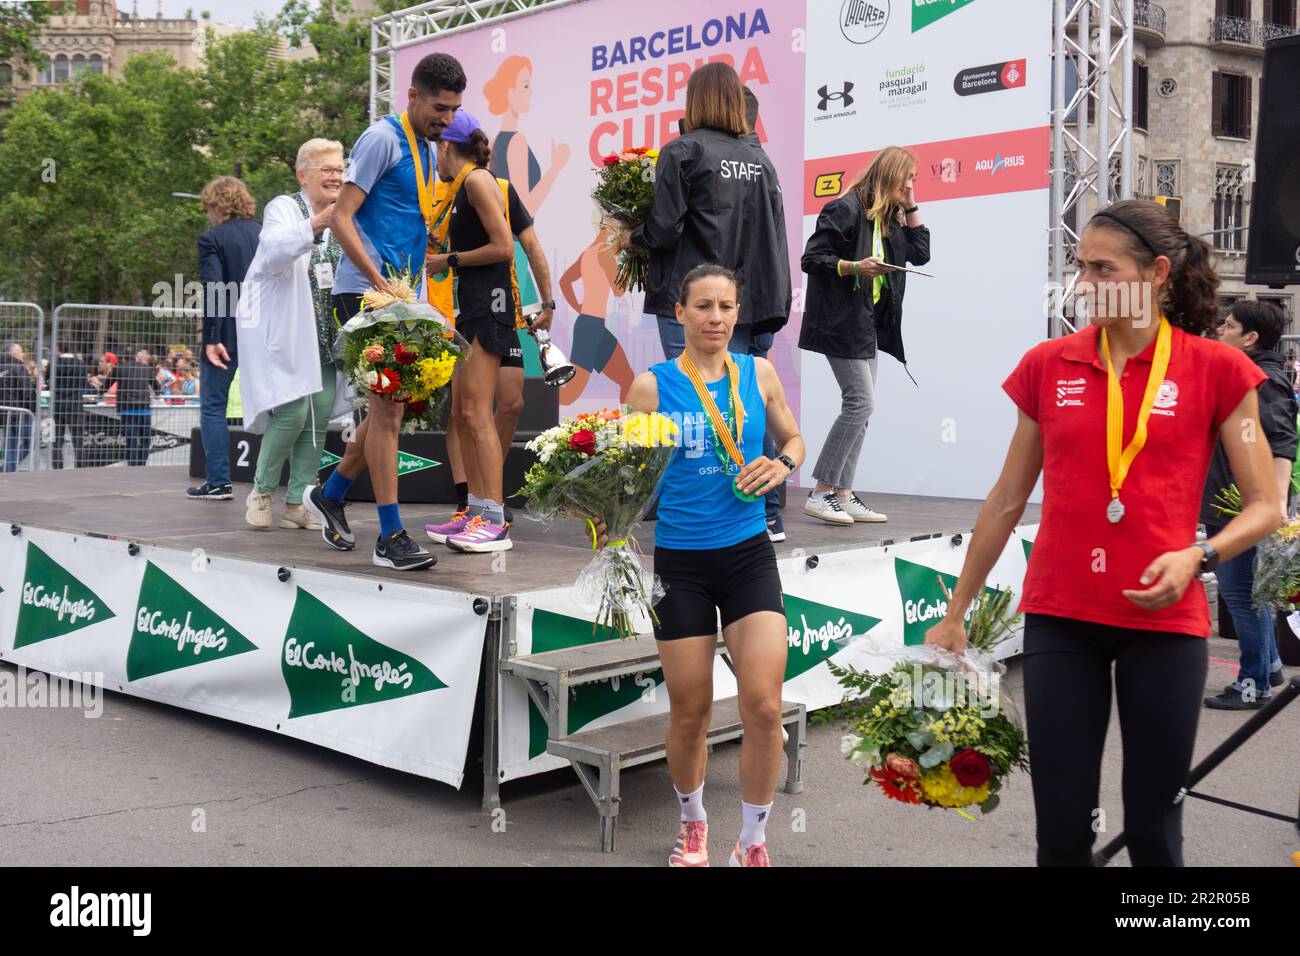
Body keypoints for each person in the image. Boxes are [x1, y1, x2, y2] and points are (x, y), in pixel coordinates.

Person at [925, 199, 1281, 867]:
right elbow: (1006, 499)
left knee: (1153, 833)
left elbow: (1266, 505)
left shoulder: (1219, 370)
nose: (1081, 285)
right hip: (1063, 615)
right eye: (1078, 268)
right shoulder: (1049, 364)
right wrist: (955, 613)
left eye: (1100, 269)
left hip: (1167, 622)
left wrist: (1199, 556)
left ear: (1157, 274)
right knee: (1061, 834)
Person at [605, 263, 805, 867]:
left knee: (765, 705)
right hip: (681, 563)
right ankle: (693, 824)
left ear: (738, 314)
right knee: (690, 712)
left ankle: (753, 838)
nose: (715, 317)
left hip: (748, 555)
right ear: (680, 313)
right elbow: (618, 479)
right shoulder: (650, 386)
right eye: (703, 307)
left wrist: (783, 466)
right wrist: (605, 519)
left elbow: (793, 441)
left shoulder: (759, 372)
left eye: (725, 306)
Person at [304, 52, 466, 572]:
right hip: (364, 294)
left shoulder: (426, 146)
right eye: (440, 107)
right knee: (390, 410)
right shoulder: (381, 138)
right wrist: (377, 279)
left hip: (403, 298)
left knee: (388, 411)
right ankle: (390, 535)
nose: (448, 118)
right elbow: (340, 217)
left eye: (455, 109)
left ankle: (332, 493)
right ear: (413, 96)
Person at [629, 64, 792, 541]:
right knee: (746, 402)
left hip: (695, 299)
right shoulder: (761, 161)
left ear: (695, 101)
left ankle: (685, 508)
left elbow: (664, 227)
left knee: (689, 401)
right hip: (748, 299)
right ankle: (766, 511)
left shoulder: (682, 151)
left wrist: (630, 236)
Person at [799, 146, 930, 527]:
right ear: (889, 174)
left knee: (863, 411)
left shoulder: (890, 218)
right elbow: (812, 259)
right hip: (841, 324)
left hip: (869, 325)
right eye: (908, 178)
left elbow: (920, 254)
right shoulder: (846, 209)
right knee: (860, 404)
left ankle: (842, 492)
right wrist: (854, 266)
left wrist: (910, 204)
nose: (910, 184)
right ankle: (822, 491)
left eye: (914, 180)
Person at [237, 138, 353, 533]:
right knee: (292, 412)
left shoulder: (346, 215)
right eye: (327, 170)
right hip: (286, 332)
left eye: (340, 169)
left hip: (324, 334)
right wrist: (321, 220)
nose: (336, 176)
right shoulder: (284, 208)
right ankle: (261, 491)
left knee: (319, 419)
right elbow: (273, 251)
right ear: (302, 175)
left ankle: (297, 501)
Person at [434, 177, 555, 527]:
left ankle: (490, 493)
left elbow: (529, 244)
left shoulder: (500, 188)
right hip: (453, 310)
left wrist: (547, 301)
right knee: (464, 410)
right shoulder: (436, 192)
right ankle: (468, 497)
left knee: (511, 402)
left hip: (499, 310)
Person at [422, 110, 517, 553]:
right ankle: (477, 511)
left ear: (446, 147)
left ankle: (494, 520)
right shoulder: (463, 187)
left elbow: (503, 246)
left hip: (487, 308)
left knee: (478, 414)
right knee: (462, 414)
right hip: (470, 308)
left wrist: (449, 262)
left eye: (436, 149)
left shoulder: (477, 180)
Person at [1200, 301, 1295, 708]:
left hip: (1243, 508)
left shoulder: (1262, 380)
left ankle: (1253, 684)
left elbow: (1282, 444)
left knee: (1241, 596)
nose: (1221, 329)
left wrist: (1272, 507)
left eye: (1230, 325)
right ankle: (1269, 666)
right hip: (1235, 503)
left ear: (1251, 338)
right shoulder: (1249, 375)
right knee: (1250, 593)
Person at [189, 176, 261, 500]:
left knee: (213, 407)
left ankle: (219, 481)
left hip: (227, 335)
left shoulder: (212, 239)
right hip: (264, 332)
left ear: (217, 206)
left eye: (209, 208)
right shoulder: (265, 234)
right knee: (275, 408)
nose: (209, 215)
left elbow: (215, 289)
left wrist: (212, 336)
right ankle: (277, 484)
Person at [555, 223, 633, 406]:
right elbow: (619, 291)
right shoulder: (604, 253)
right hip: (590, 328)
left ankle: (625, 428)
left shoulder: (588, 252)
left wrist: (578, 307)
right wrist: (630, 259)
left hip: (594, 326)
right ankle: (528, 398)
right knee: (568, 396)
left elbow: (564, 281)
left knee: (627, 378)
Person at [105, 348, 161, 466]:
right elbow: (156, 386)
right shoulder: (146, 369)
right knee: (145, 439)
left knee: (132, 440)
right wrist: (157, 393)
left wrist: (99, 393)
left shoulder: (119, 368)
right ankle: (142, 464)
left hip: (127, 409)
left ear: (123, 359)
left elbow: (106, 384)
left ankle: (133, 465)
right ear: (136, 357)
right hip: (144, 409)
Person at [0, 342, 37, 472]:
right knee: (31, 441)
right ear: (13, 353)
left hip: (5, 413)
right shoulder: (18, 367)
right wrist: (33, 408)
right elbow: (27, 392)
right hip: (21, 412)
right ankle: (8, 467)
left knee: (11, 445)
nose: (23, 355)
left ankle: (7, 469)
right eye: (21, 352)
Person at [51, 348, 90, 468]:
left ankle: (57, 468)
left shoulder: (54, 364)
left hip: (57, 406)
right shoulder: (80, 365)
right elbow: (84, 384)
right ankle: (80, 467)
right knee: (78, 441)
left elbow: (49, 383)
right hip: (75, 406)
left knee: (56, 442)